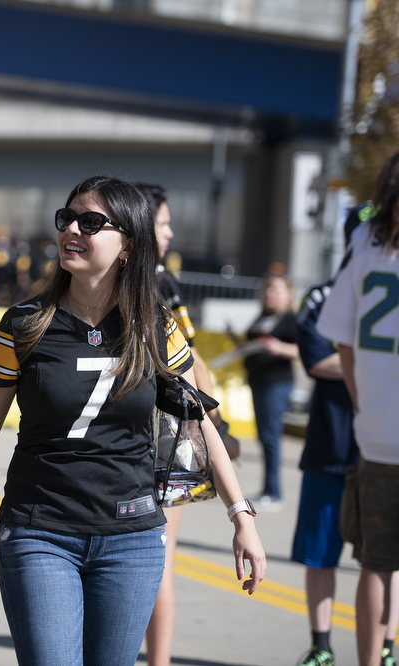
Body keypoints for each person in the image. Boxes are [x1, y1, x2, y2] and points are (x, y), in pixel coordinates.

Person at [0, 175, 266, 666]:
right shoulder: (22, 325)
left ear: (127, 246)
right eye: (66, 219)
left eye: (91, 222)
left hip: (132, 542)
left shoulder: (157, 325)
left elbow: (200, 427)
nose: (72, 229)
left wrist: (242, 517)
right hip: (40, 533)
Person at [137, 183, 239, 666]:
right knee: (160, 559)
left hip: (135, 441)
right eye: (162, 224)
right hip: (163, 438)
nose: (170, 232)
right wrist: (214, 423)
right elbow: (192, 360)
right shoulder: (157, 282)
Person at [293, 202, 398, 666]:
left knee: (382, 556)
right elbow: (318, 360)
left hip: (370, 437)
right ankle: (322, 644)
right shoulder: (320, 295)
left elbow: (340, 356)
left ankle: (386, 642)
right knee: (323, 553)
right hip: (333, 442)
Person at [317, 151, 399, 666]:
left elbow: (342, 339)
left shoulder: (366, 244)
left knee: (377, 562)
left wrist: (360, 396)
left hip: (378, 428)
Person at [241, 267, 299, 510]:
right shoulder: (262, 318)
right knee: (264, 437)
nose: (269, 294)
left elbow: (301, 350)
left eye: (275, 289)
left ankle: (274, 492)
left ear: (288, 294)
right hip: (258, 382)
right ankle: (268, 489)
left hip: (277, 383)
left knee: (270, 437)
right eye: (267, 288)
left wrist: (277, 347)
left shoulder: (291, 320)